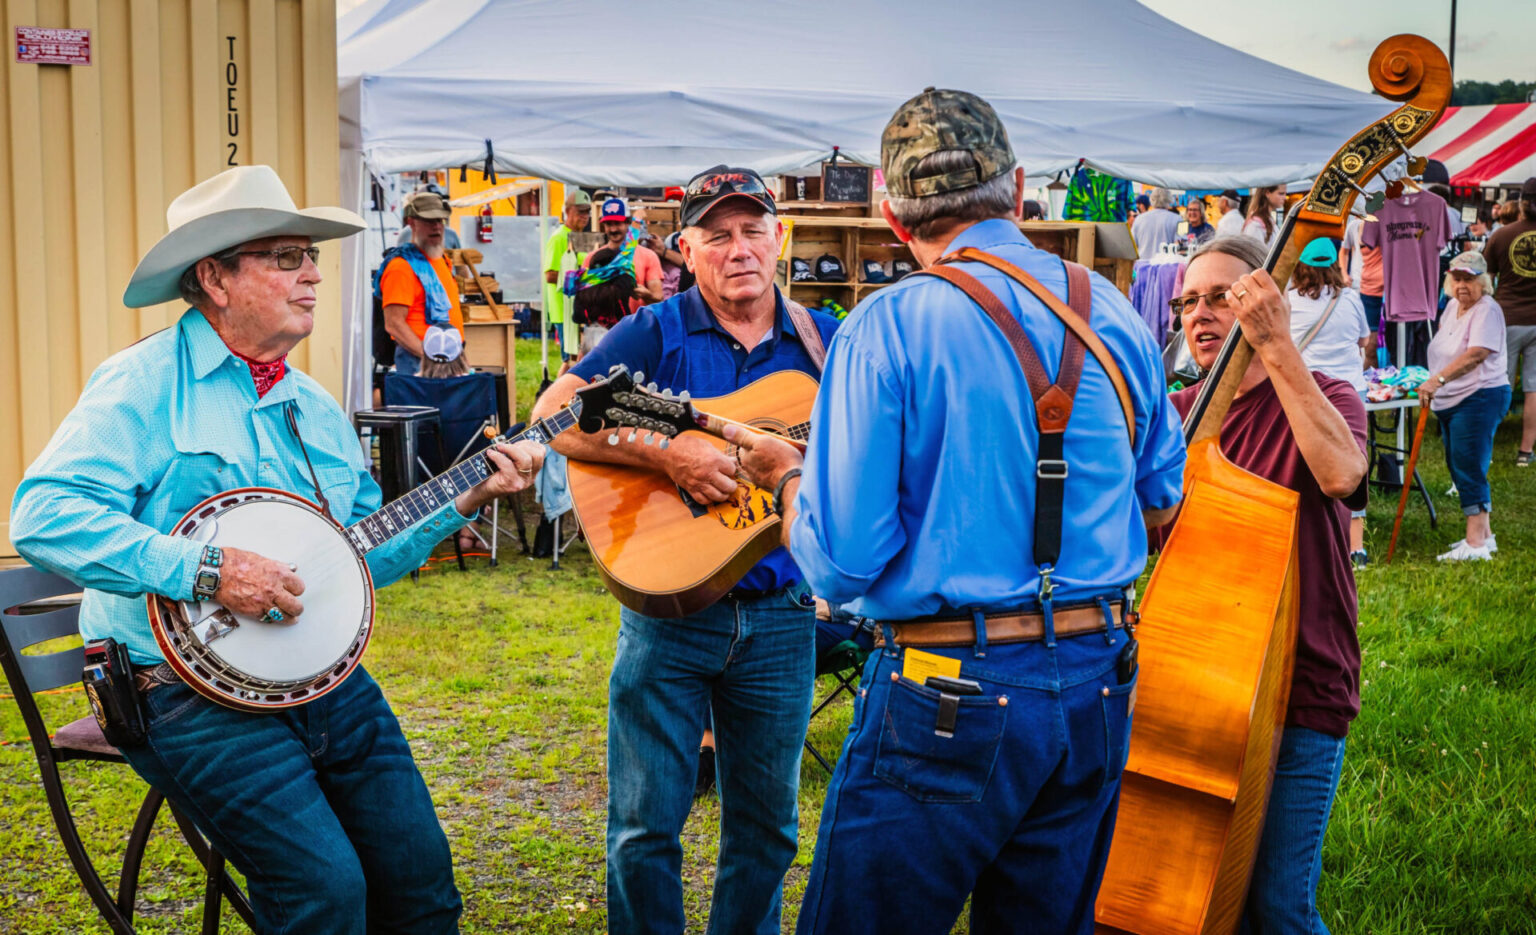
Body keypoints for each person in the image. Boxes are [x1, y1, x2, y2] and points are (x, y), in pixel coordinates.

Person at [9, 165, 546, 935]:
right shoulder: (143, 383)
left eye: (312, 256)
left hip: (321, 680)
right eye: (285, 256)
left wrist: (465, 497)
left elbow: (364, 556)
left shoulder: (313, 405)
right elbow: (44, 515)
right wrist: (208, 569)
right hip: (181, 694)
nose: (312, 274)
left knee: (421, 877)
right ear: (215, 279)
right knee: (324, 890)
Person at [731, 87, 1187, 935]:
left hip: (947, 690)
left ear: (894, 217)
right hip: (1098, 680)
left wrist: (789, 480)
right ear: (1016, 193)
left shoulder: (888, 324)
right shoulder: (1118, 313)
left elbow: (842, 564)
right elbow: (1164, 502)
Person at [531, 165, 839, 935]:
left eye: (752, 231)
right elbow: (554, 413)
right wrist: (668, 454)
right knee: (643, 826)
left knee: (767, 830)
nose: (739, 249)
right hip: (668, 614)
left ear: (780, 239)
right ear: (688, 251)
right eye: (718, 235)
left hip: (782, 614)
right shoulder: (657, 333)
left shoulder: (824, 342)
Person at [1168, 234, 1368, 935]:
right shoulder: (1179, 417)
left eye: (1221, 296)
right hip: (1195, 693)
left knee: (1277, 907)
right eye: (1187, 301)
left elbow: (1344, 475)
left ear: (1264, 300)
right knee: (1201, 906)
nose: (1199, 313)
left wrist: (1278, 348)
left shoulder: (1326, 393)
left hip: (1299, 686)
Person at [1420, 251, 1511, 561]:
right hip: (1454, 398)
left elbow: (1476, 354)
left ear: (1483, 282)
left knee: (1469, 466)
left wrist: (1437, 381)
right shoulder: (1452, 308)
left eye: (1469, 280)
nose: (1462, 286)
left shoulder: (1487, 309)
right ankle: (1485, 537)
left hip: (1479, 396)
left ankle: (1474, 545)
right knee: (1458, 464)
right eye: (1457, 279)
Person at [1286, 239, 1371, 567]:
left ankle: (1308, 540)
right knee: (1354, 468)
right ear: (1335, 264)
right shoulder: (1350, 299)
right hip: (1351, 393)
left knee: (1305, 466)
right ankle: (1355, 548)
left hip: (1309, 393)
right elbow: (1364, 340)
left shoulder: (1289, 301)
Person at [379, 190, 466, 376]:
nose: (436, 227)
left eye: (440, 221)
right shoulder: (400, 267)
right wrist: (428, 358)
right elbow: (394, 324)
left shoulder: (441, 259)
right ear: (411, 223)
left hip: (450, 357)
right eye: (429, 221)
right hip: (419, 361)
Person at [1482, 176, 1536, 465]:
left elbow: (1485, 283)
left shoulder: (1501, 236)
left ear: (1522, 203)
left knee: (1498, 384)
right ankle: (1525, 454)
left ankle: (1486, 447)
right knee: (1533, 388)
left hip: (1508, 319)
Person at [543, 188, 593, 366]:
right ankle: (557, 393)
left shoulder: (581, 237)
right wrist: (581, 278)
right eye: (581, 211)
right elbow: (550, 275)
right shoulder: (559, 238)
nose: (585, 216)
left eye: (587, 211)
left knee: (576, 360)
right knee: (571, 361)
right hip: (564, 310)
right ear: (568, 210)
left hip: (578, 309)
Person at [597, 197, 663, 312]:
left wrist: (647, 295)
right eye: (608, 224)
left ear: (628, 223)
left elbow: (659, 298)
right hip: (605, 327)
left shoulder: (648, 256)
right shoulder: (594, 258)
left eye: (617, 223)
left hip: (636, 325)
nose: (613, 229)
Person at [1132, 187, 1181, 258]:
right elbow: (1181, 244)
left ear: (1151, 199)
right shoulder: (1178, 219)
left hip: (1142, 265)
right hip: (1166, 265)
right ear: (1170, 200)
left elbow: (1132, 245)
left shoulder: (1139, 219)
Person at [1242, 184, 1286, 250]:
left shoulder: (1268, 219)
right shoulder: (1255, 224)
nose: (1285, 198)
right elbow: (1254, 254)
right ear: (1267, 193)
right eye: (1281, 194)